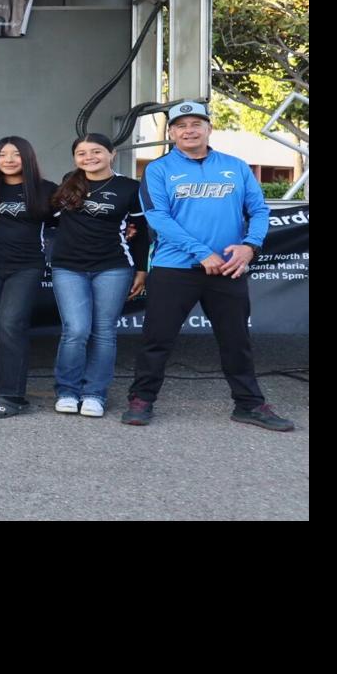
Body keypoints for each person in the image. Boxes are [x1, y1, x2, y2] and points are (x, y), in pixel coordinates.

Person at [122, 101, 293, 431]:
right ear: (171, 132)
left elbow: (258, 211)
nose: (189, 130)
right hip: (175, 269)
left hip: (228, 269)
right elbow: (158, 218)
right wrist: (201, 252)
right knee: (157, 339)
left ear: (209, 128)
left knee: (236, 340)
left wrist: (249, 247)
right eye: (181, 125)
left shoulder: (236, 166)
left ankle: (248, 404)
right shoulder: (158, 170)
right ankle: (142, 399)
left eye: (196, 124)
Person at [48, 133, 150, 417]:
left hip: (113, 266)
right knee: (76, 330)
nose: (89, 158)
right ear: (75, 158)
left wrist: (142, 269)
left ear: (111, 154)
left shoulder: (130, 187)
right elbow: (47, 218)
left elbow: (140, 232)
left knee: (104, 332)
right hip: (68, 267)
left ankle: (95, 393)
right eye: (81, 153)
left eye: (96, 152)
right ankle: (67, 391)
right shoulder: (68, 183)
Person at [0, 136, 56, 418]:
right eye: (2, 154)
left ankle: (12, 395)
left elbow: (70, 222)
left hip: (25, 267)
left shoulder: (46, 190)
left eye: (15, 154)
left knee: (10, 325)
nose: (8, 159)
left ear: (27, 158)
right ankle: (1, 392)